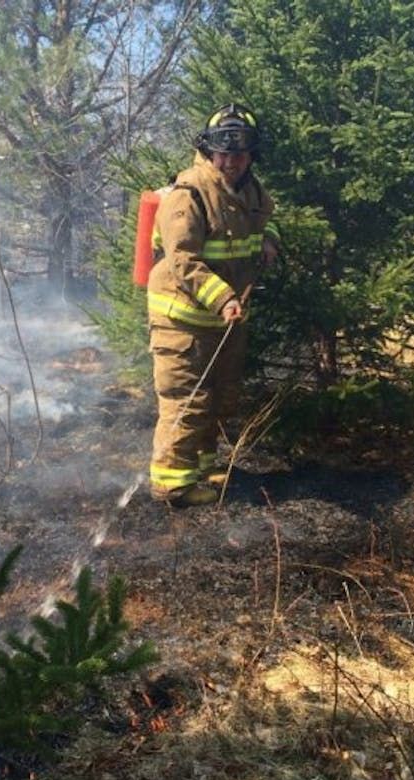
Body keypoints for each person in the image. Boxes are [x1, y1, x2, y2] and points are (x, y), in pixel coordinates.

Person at [147, 103, 280, 506]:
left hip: (222, 319)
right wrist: (222, 297)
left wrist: (270, 239)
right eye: (224, 152)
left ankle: (200, 468)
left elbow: (266, 217)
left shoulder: (251, 190)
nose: (232, 161)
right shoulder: (188, 194)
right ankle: (173, 485)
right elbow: (183, 260)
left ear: (251, 155)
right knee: (188, 399)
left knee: (219, 395)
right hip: (182, 318)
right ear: (208, 150)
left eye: (240, 153)